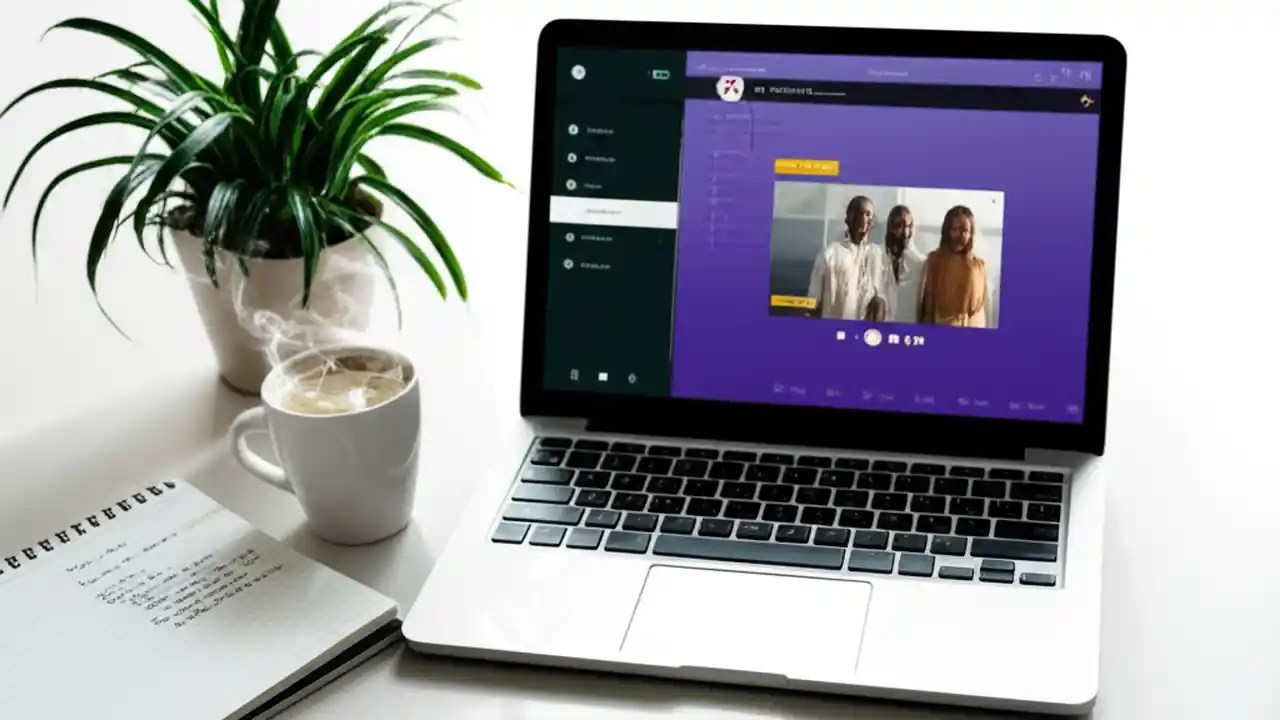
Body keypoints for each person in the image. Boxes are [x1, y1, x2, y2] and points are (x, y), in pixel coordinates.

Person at [807, 195, 890, 320]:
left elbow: (885, 297)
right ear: (847, 218)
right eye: (859, 213)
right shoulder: (830, 254)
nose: (863, 218)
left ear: (872, 221)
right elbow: (813, 300)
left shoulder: (879, 255)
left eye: (868, 214)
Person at [918, 204, 990, 328]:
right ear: (947, 230)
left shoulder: (979, 266)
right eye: (955, 229)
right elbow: (927, 308)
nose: (959, 235)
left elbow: (982, 312)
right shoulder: (934, 260)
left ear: (971, 233)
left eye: (964, 230)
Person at [882, 204, 926, 324]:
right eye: (898, 226)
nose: (904, 232)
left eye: (908, 226)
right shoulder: (876, 259)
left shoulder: (921, 264)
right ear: (890, 228)